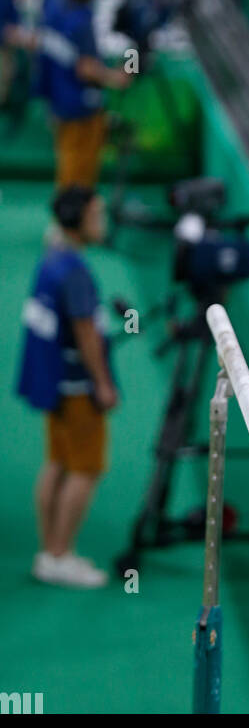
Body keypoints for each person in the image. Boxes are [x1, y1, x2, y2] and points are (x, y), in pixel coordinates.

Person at [16, 186, 118, 588]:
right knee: (85, 469)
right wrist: (104, 384)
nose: (102, 222)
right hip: (77, 387)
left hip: (53, 383)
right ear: (79, 221)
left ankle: (48, 552)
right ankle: (60, 556)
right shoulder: (75, 273)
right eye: (97, 215)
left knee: (57, 462)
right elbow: (86, 333)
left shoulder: (52, 258)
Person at [36, 0, 130, 188]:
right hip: (80, 104)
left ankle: (68, 216)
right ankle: (71, 217)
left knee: (68, 162)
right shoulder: (82, 21)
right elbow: (85, 67)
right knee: (81, 167)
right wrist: (116, 77)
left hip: (60, 100)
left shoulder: (56, 12)